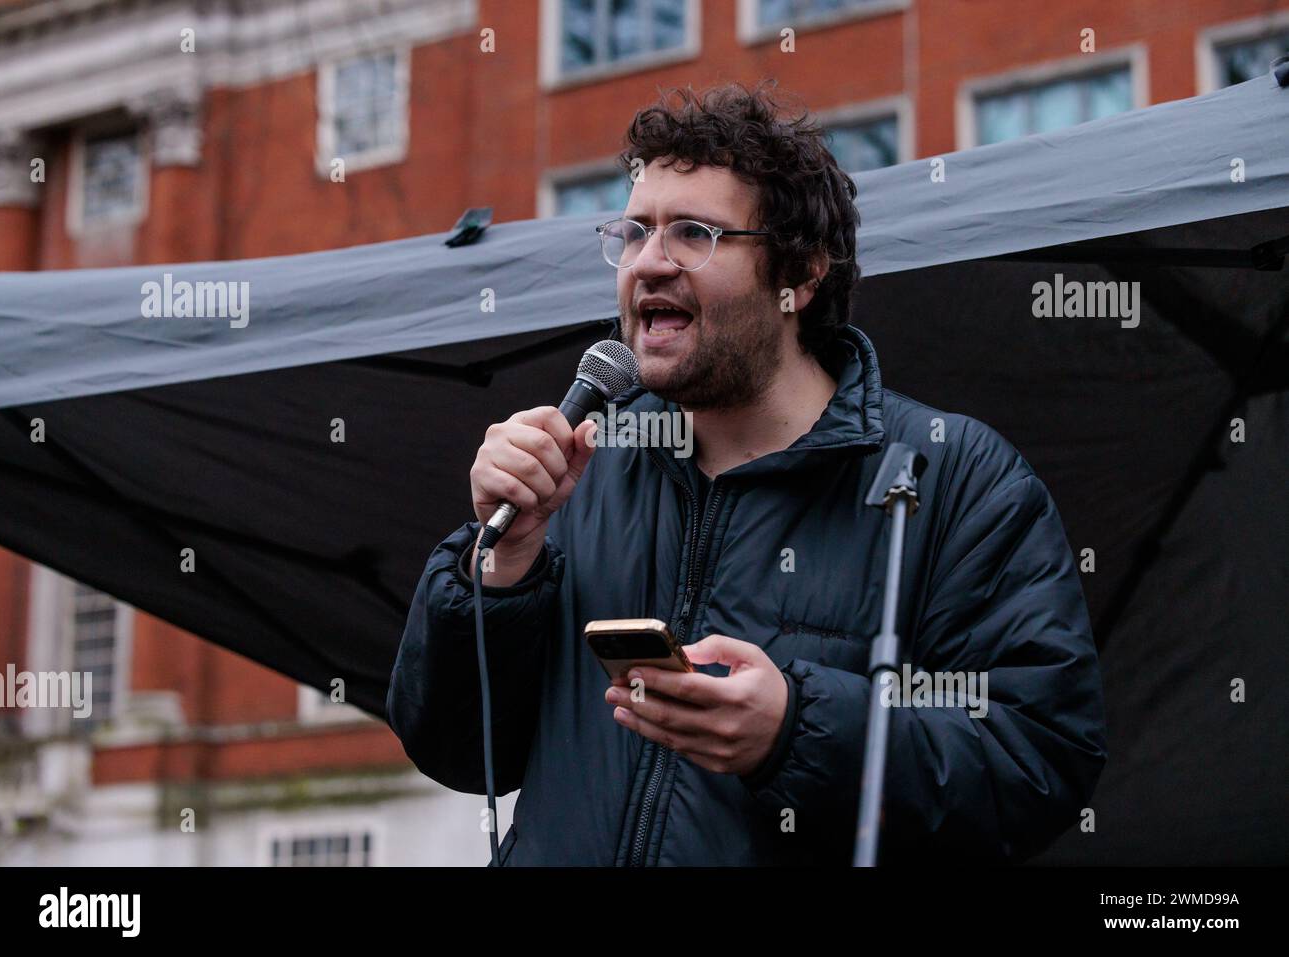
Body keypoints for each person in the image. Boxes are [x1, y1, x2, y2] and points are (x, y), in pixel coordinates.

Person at [387, 80, 1107, 866]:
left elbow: (1038, 759)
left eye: (692, 232)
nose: (647, 263)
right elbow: (457, 748)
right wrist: (501, 568)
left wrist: (797, 730)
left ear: (798, 273)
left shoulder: (954, 479)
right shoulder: (582, 474)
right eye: (632, 232)